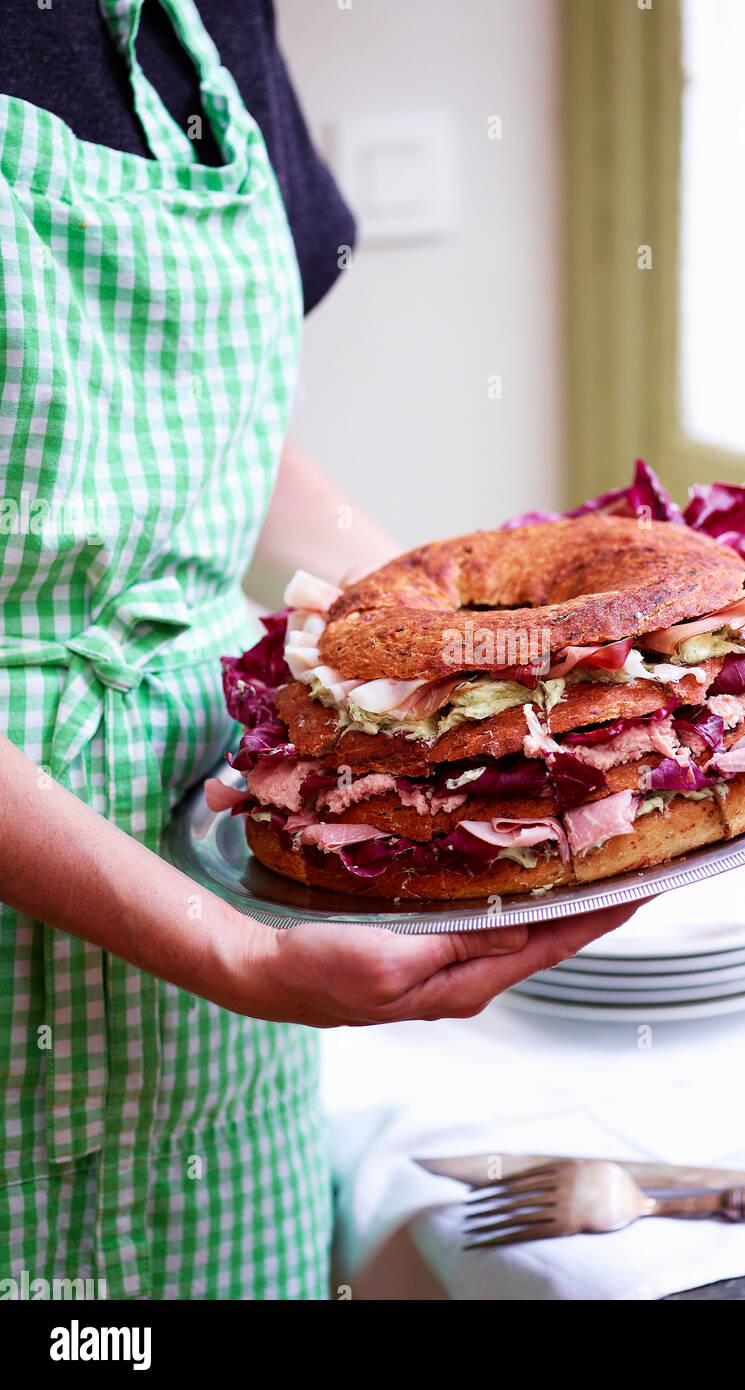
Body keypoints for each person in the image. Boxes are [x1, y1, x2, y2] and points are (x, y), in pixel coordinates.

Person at [0, 0, 635, 1299]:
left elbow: (199, 433)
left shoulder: (212, 16)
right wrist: (235, 953)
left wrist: (466, 652)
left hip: (223, 1030)